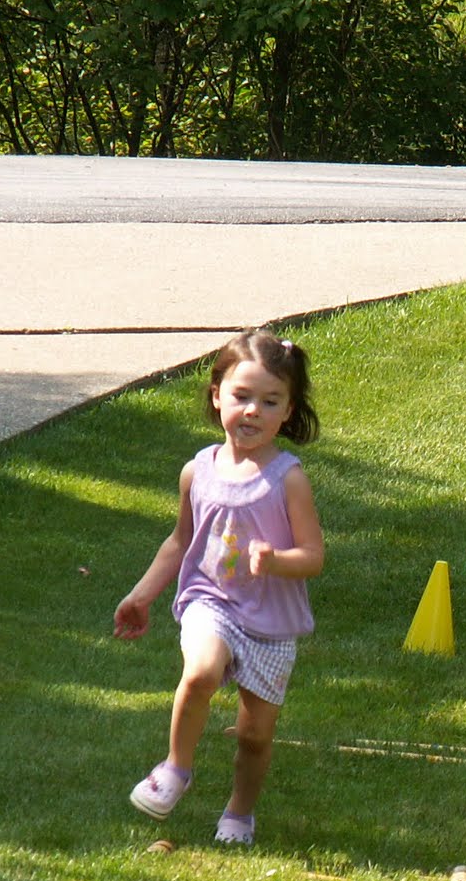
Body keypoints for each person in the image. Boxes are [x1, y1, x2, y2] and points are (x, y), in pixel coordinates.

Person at [113, 329, 324, 845]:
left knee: (255, 738)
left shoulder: (287, 478)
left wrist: (277, 560)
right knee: (202, 672)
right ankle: (175, 770)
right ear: (216, 396)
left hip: (270, 621)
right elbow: (181, 540)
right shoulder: (197, 471)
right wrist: (142, 594)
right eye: (241, 396)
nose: (252, 411)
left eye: (269, 401)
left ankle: (239, 812)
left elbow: (314, 557)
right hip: (212, 601)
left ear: (288, 410)